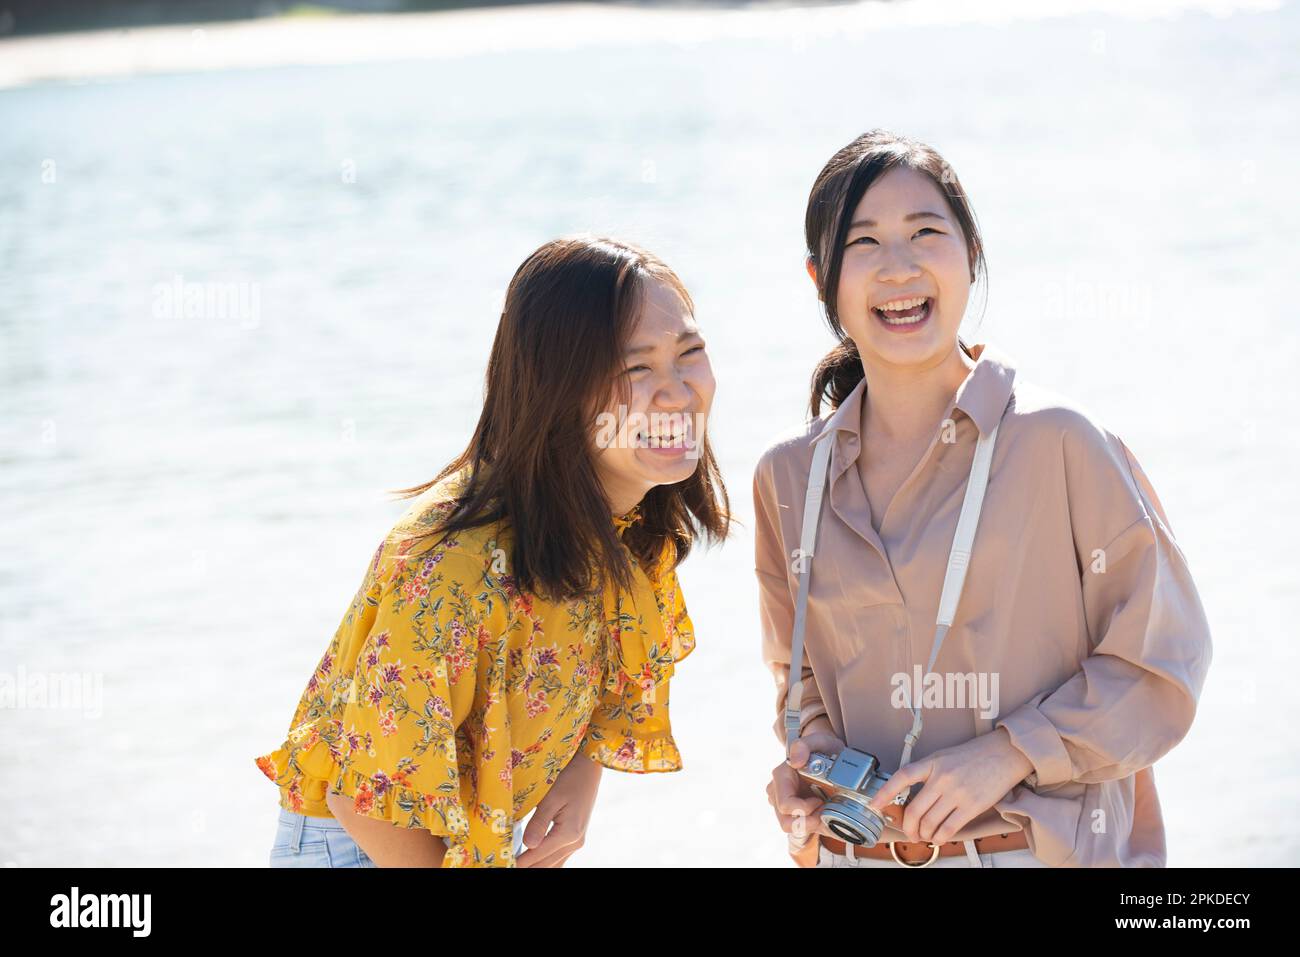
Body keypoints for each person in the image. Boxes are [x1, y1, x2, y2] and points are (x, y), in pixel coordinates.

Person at [757, 130, 1212, 868]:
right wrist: (807, 773)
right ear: (821, 277)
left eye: (925, 232)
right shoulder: (787, 476)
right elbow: (799, 684)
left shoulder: (1061, 441)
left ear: (970, 254)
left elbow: (1161, 663)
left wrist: (1008, 753)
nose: (898, 266)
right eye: (864, 242)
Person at [257, 236, 729, 867]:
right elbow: (359, 791)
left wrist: (579, 774)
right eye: (635, 369)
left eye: (689, 353)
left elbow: (619, 648)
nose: (676, 392)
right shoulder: (460, 567)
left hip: (471, 833)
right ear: (556, 391)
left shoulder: (628, 518)